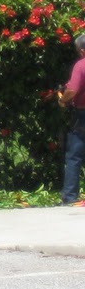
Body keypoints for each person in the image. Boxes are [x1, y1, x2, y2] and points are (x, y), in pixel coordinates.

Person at [57, 32, 85, 204]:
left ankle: (70, 197)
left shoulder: (81, 65)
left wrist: (62, 100)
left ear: (82, 50)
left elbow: (73, 90)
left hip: (82, 115)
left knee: (74, 155)